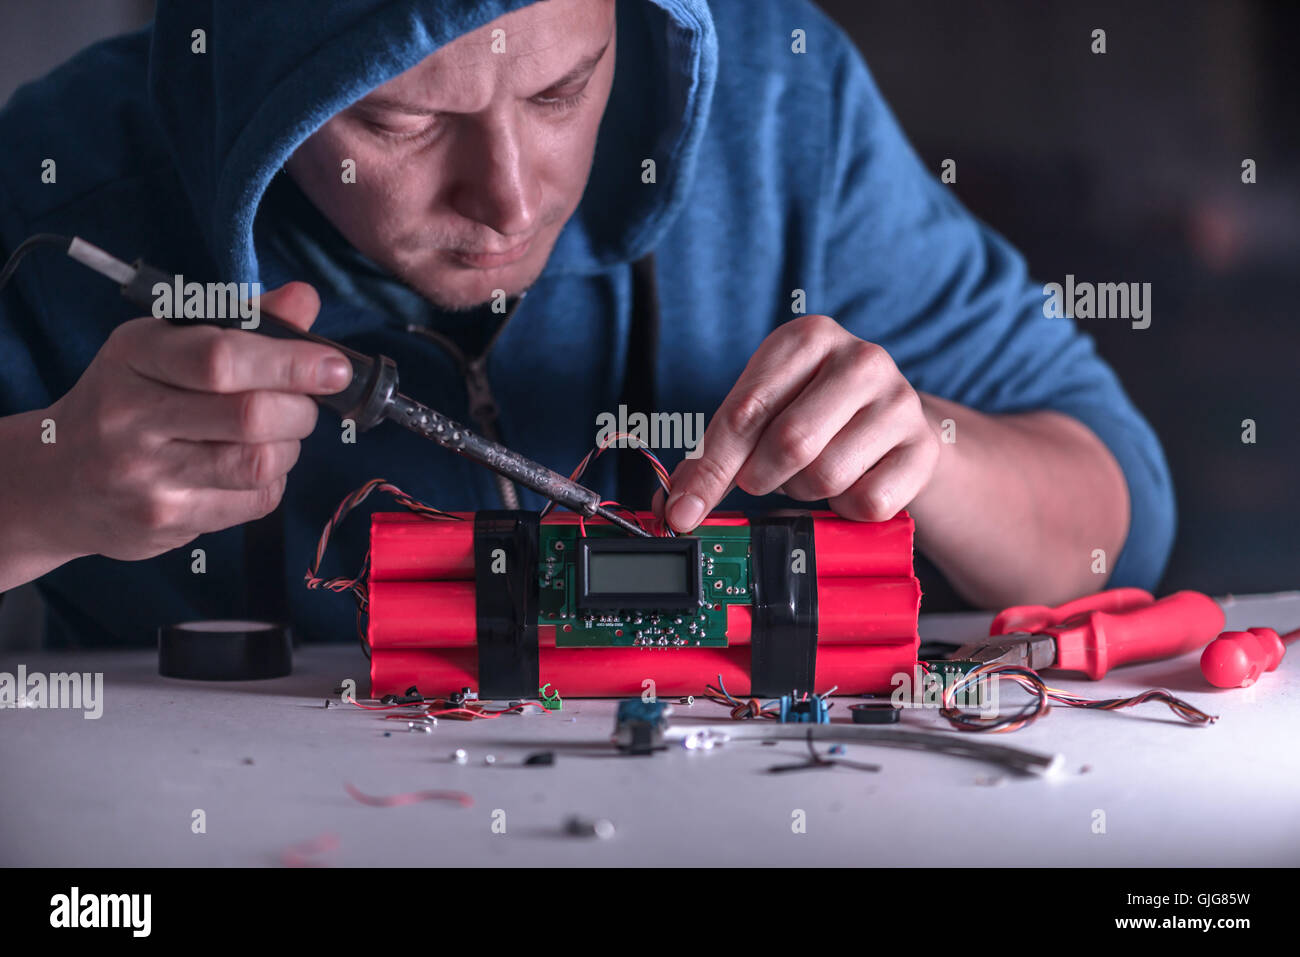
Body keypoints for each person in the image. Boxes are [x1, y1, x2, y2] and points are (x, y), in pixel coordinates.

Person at [0, 0, 1173, 647]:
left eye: (561, 93)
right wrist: (41, 492)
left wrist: (933, 453)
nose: (508, 198)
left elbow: (1113, 535)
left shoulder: (781, 104)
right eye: (400, 126)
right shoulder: (64, 178)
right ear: (248, 101)